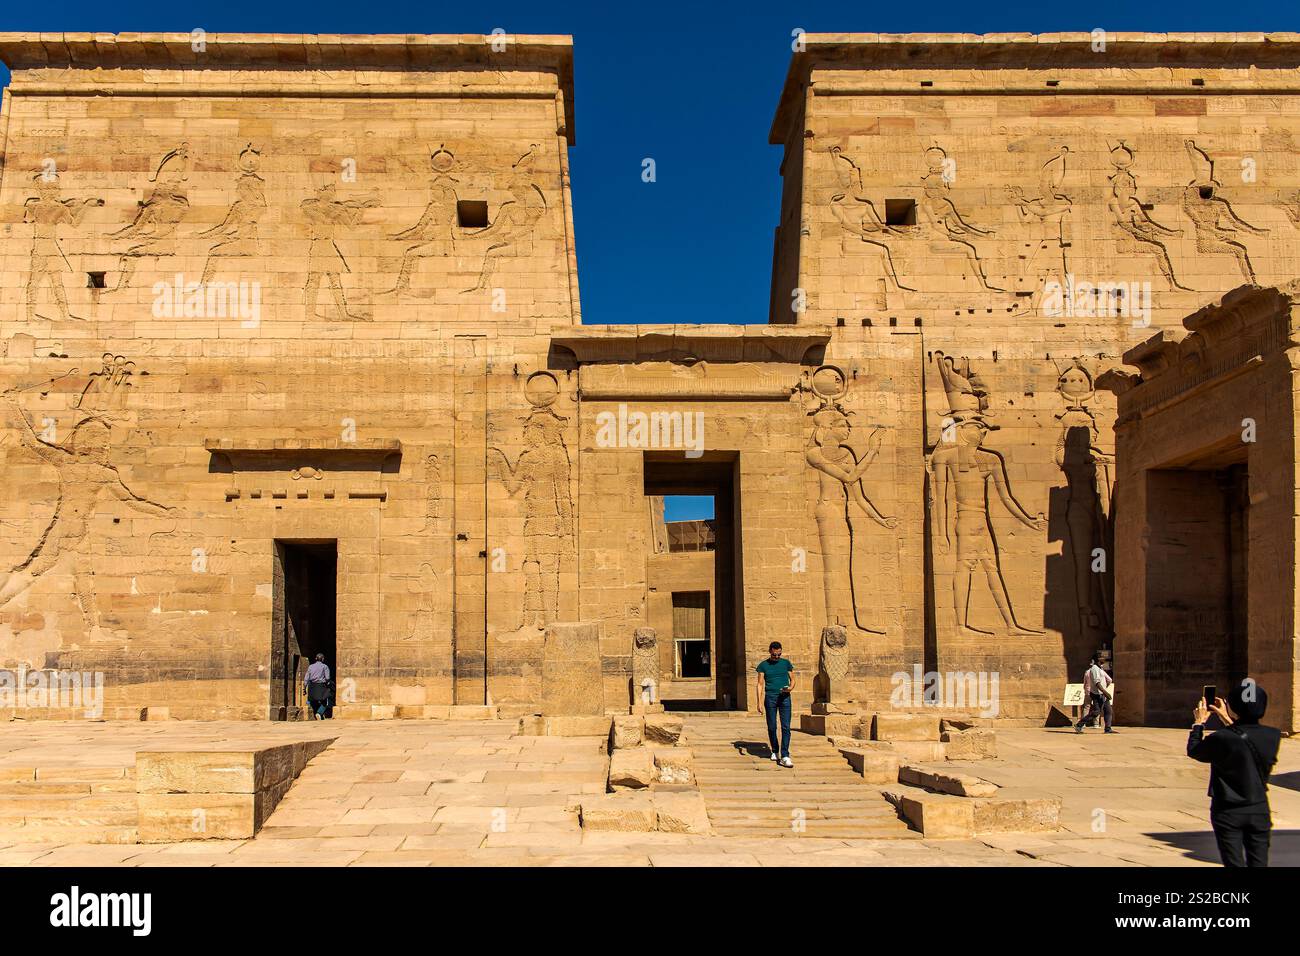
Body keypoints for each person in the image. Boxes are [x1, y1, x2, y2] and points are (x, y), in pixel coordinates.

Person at [1188, 681, 1281, 867]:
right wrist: (1228, 718)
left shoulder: (1221, 738)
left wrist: (1199, 723)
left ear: (1234, 707)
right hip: (1258, 807)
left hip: (1228, 809)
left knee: (1234, 862)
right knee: (1260, 862)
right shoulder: (1273, 736)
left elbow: (1195, 750)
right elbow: (1244, 737)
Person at [756, 642, 796, 768]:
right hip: (771, 697)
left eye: (779, 654)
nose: (777, 657)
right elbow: (760, 684)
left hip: (784, 697)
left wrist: (790, 688)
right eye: (774, 655)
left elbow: (793, 679)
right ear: (770, 652)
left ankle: (785, 755)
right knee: (772, 726)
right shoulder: (763, 665)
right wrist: (758, 702)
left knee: (786, 727)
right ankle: (774, 749)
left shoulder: (786, 663)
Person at [1074, 653, 1114, 733]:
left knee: (1108, 711)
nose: (1104, 659)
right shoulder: (1094, 669)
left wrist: (1105, 689)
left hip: (1102, 694)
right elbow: (1097, 682)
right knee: (1096, 712)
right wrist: (1105, 692)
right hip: (1097, 694)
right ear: (1097, 659)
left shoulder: (1100, 669)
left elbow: (1108, 679)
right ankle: (1079, 724)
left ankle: (1108, 728)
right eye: (1102, 657)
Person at [304, 653, 331, 720]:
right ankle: (319, 713)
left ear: (316, 659)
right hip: (321, 686)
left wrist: (304, 688)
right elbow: (327, 678)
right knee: (325, 701)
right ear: (322, 659)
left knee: (313, 701)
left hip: (312, 686)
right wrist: (328, 683)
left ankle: (315, 714)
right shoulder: (325, 666)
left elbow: (306, 678)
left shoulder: (310, 666)